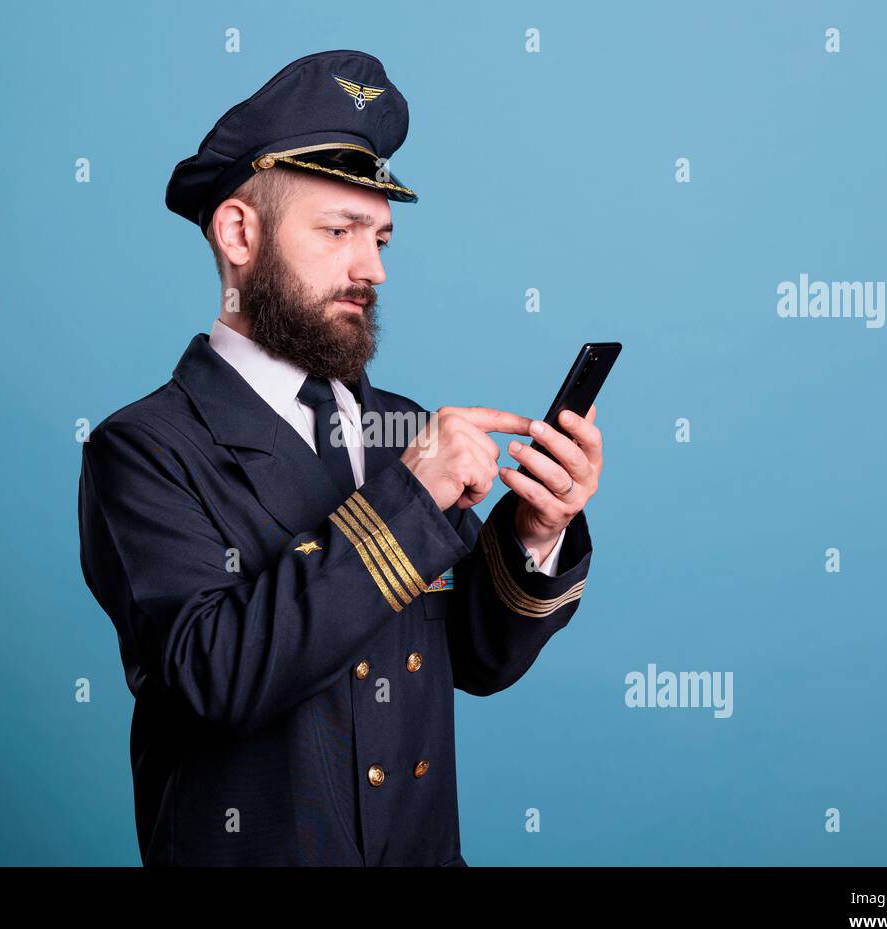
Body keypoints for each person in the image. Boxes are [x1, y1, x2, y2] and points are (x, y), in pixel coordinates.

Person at [77, 49, 604, 866]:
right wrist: (411, 502)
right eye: (339, 232)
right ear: (239, 232)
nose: (374, 268)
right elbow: (217, 679)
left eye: (382, 236)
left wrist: (536, 530)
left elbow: (475, 660)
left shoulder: (404, 428)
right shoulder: (145, 447)